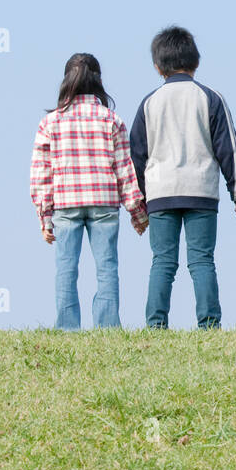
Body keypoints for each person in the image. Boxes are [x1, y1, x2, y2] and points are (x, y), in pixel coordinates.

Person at [130, 26, 236, 329]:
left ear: (157, 66)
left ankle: (155, 325)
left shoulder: (149, 102)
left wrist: (140, 202)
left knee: (163, 262)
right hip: (201, 192)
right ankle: (209, 324)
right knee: (202, 261)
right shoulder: (210, 97)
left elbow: (136, 157)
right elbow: (229, 150)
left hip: (160, 193)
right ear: (196, 62)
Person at [30, 53, 147, 330]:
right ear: (99, 81)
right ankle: (107, 328)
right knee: (107, 268)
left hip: (66, 203)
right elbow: (125, 170)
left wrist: (44, 217)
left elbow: (40, 175)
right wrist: (138, 214)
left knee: (66, 269)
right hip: (104, 203)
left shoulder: (50, 123)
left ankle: (67, 328)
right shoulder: (111, 120)